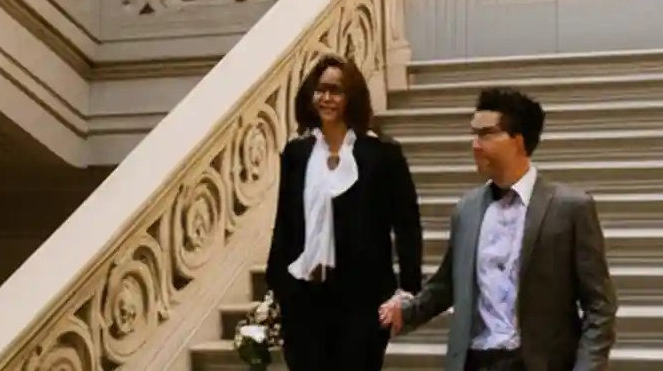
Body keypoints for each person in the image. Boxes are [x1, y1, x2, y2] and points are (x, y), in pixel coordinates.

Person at [378, 88, 618, 371]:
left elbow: (599, 307)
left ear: (518, 141)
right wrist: (405, 311)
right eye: (473, 134)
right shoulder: (467, 209)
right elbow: (446, 285)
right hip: (475, 360)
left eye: (486, 134)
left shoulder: (569, 209)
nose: (475, 145)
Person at [265, 54, 423, 371]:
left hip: (362, 300)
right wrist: (278, 288)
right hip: (304, 300)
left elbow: (407, 226)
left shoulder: (382, 155)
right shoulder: (297, 154)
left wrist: (407, 291)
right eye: (320, 90)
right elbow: (285, 225)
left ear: (352, 97)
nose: (326, 98)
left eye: (335, 90)